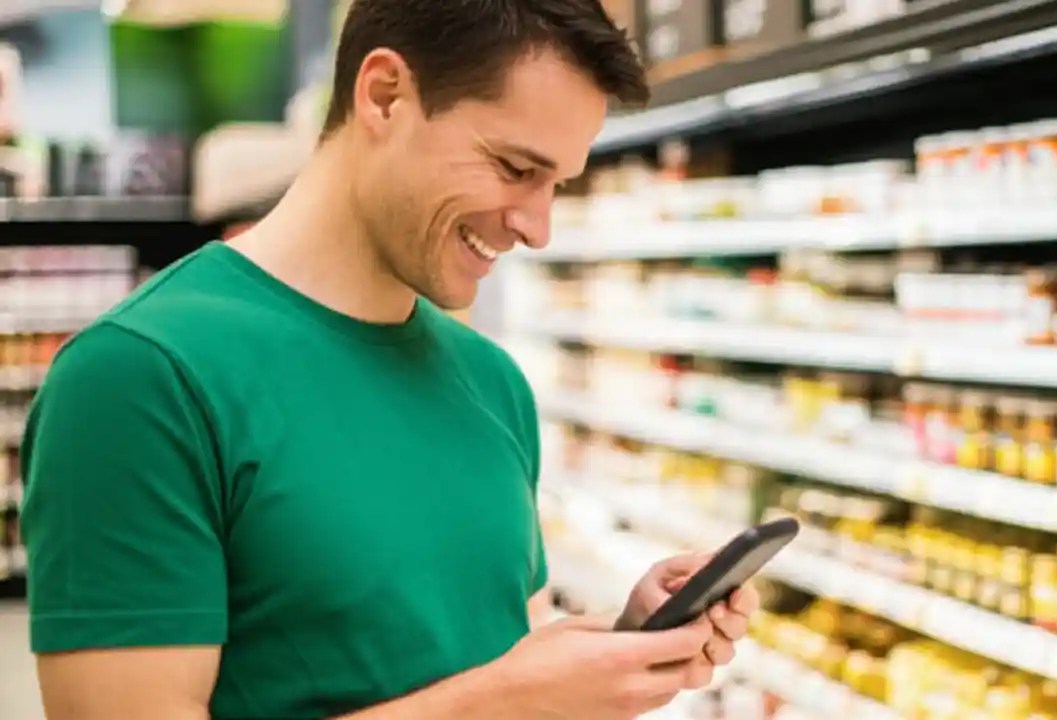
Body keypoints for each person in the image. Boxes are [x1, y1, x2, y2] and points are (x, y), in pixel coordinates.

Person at [19, 1, 761, 718]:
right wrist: (508, 702)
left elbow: (493, 660)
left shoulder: (491, 381)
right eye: (513, 168)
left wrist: (610, 658)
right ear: (383, 96)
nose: (538, 228)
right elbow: (496, 698)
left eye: (557, 185)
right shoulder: (140, 379)